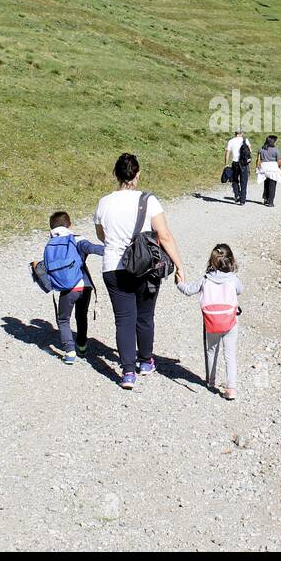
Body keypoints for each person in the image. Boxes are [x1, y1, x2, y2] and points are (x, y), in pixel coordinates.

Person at [94, 153, 184, 389]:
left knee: (124, 319)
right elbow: (164, 235)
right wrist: (179, 265)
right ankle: (145, 362)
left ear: (116, 174)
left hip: (113, 266)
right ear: (138, 174)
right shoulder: (149, 201)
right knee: (145, 316)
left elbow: (101, 235)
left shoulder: (104, 202)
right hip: (146, 267)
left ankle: (127, 372)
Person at [177, 244, 243, 400]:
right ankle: (231, 388)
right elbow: (240, 290)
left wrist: (179, 282)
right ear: (231, 260)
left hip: (212, 322)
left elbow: (188, 290)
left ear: (212, 262)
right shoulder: (233, 279)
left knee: (212, 350)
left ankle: (211, 381)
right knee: (230, 354)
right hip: (230, 321)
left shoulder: (205, 280)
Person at [43, 211, 104, 366]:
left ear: (51, 227)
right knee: (81, 315)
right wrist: (113, 249)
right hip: (85, 286)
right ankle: (82, 345)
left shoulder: (51, 244)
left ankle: (70, 351)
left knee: (63, 319)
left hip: (67, 289)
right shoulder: (77, 239)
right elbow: (92, 248)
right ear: (69, 225)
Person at [225, 130, 251, 205]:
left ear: (235, 133)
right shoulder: (245, 140)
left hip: (235, 163)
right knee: (244, 181)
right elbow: (250, 151)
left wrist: (226, 163)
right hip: (244, 164)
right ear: (242, 133)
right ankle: (242, 200)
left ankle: (237, 195)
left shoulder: (231, 141)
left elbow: (227, 152)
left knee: (235, 180)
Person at [256, 135, 281, 207]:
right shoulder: (276, 150)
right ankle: (270, 202)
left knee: (266, 183)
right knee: (272, 185)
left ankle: (265, 198)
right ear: (273, 142)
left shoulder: (261, 149)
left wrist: (257, 167)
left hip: (264, 168)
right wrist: (279, 167)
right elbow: (279, 161)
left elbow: (258, 159)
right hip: (272, 168)